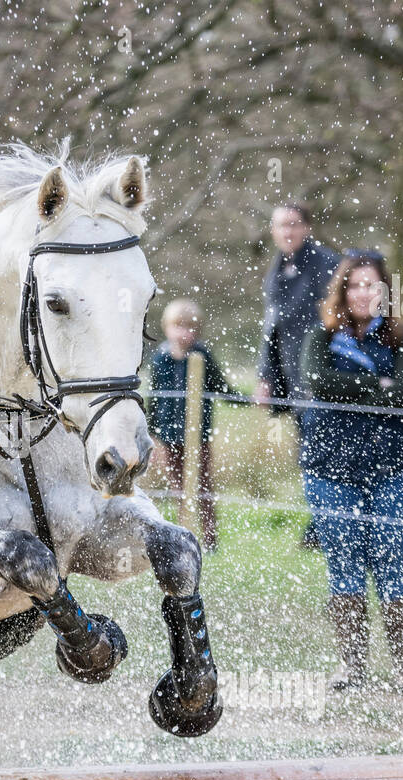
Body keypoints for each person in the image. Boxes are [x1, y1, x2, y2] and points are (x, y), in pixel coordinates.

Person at [298, 251, 403, 693]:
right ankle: (353, 667)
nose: (362, 293)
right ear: (343, 291)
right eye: (354, 285)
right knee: (343, 562)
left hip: (394, 467)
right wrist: (378, 389)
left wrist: (357, 391)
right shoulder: (321, 337)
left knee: (394, 562)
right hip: (330, 469)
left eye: (371, 285)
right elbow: (317, 379)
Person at [253, 202, 342, 548]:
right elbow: (270, 329)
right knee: (308, 453)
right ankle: (321, 521)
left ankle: (325, 525)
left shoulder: (327, 265)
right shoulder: (276, 271)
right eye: (280, 226)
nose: (287, 232)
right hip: (292, 378)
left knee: (324, 452)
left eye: (293, 224)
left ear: (306, 227)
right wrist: (265, 377)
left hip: (323, 375)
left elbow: (336, 321)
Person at [146, 298, 241, 551]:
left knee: (203, 486)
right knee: (179, 488)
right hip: (168, 436)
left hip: (198, 436)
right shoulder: (160, 359)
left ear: (197, 331)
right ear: (166, 327)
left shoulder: (202, 355)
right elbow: (154, 400)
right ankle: (184, 536)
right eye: (178, 326)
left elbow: (221, 387)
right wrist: (152, 436)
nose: (183, 333)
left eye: (190, 328)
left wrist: (245, 399)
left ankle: (210, 540)